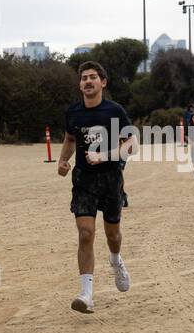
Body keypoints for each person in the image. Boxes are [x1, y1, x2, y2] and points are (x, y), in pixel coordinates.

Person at [56, 62, 135, 313]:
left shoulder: (114, 111)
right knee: (85, 232)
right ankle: (86, 294)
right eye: (84, 78)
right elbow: (70, 138)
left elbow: (132, 144)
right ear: (80, 85)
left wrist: (107, 155)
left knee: (113, 234)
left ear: (103, 82)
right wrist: (62, 160)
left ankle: (115, 260)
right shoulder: (73, 112)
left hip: (111, 179)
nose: (88, 81)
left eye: (93, 77)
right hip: (83, 181)